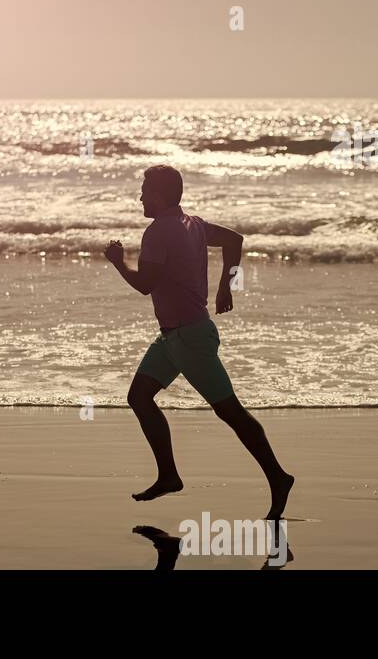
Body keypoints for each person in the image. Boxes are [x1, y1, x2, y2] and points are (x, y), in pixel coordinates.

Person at [105, 165, 294, 520]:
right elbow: (235, 240)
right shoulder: (193, 224)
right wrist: (227, 285)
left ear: (160, 195)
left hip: (189, 338)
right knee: (139, 397)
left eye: (145, 190)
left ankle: (279, 477)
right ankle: (169, 476)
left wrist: (118, 262)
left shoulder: (158, 231)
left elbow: (145, 284)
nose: (141, 197)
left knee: (231, 412)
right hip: (173, 338)